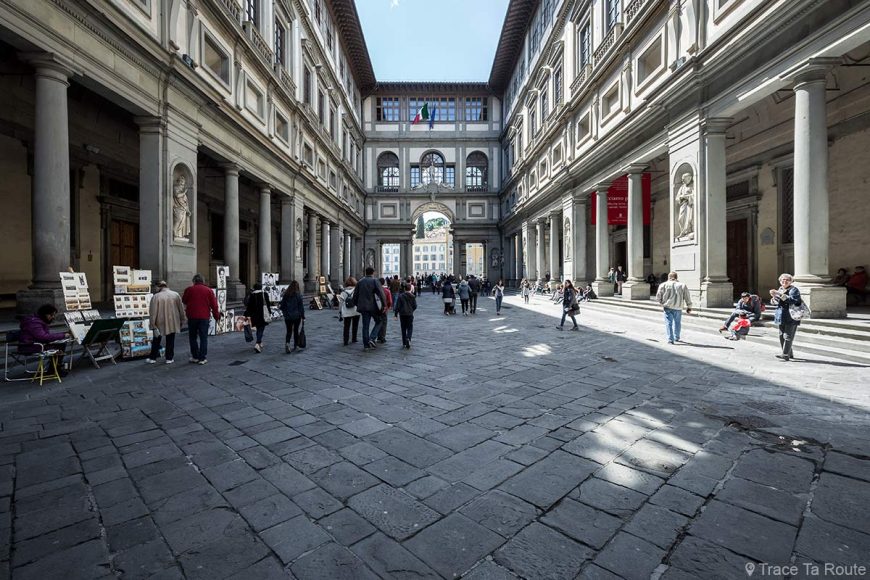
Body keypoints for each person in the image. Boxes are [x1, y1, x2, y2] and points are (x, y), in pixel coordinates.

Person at [182, 273, 221, 364]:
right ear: (203, 281)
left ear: (194, 281)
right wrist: (217, 316)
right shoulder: (208, 290)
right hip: (204, 317)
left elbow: (184, 300)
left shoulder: (189, 289)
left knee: (192, 337)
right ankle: (202, 358)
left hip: (192, 317)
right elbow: (214, 305)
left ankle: (195, 356)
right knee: (203, 337)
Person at [147, 281, 185, 364]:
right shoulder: (175, 294)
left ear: (158, 287)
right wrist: (182, 319)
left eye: (155, 287)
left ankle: (153, 358)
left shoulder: (156, 297)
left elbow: (153, 313)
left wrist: (152, 324)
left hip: (159, 321)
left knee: (156, 339)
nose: (154, 289)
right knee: (170, 340)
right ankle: (169, 358)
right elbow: (181, 308)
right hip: (173, 321)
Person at [351, 267, 386, 350]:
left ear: (365, 272)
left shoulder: (360, 282)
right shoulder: (375, 281)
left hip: (363, 307)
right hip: (373, 307)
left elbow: (355, 295)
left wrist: (357, 304)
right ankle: (372, 338)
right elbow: (381, 294)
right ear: (373, 272)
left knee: (365, 326)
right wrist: (384, 305)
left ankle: (366, 345)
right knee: (379, 321)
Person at [770, 273, 802, 361]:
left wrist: (779, 294)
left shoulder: (794, 290)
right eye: (782, 280)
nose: (784, 281)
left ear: (791, 281)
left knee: (788, 336)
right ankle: (789, 353)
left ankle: (785, 354)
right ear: (780, 281)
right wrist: (773, 297)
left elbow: (793, 300)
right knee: (781, 335)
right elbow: (776, 302)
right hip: (781, 315)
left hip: (791, 315)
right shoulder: (780, 289)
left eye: (787, 280)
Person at [655, 272, 692, 344]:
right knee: (677, 323)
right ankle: (676, 337)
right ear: (676, 277)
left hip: (667, 307)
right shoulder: (682, 285)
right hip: (678, 307)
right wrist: (689, 306)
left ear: (668, 277)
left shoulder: (663, 285)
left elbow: (658, 296)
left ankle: (670, 339)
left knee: (669, 323)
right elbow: (687, 297)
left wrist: (661, 303)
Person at [244, 282, 271, 353]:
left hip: (254, 315)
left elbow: (249, 306)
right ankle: (257, 343)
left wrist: (246, 314)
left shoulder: (252, 295)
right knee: (261, 329)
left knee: (259, 328)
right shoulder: (264, 294)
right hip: (263, 315)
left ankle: (260, 342)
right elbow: (268, 304)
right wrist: (270, 312)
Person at [279, 281, 305, 353]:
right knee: (296, 331)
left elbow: (282, 306)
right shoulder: (298, 295)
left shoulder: (286, 295)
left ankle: (287, 343)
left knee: (289, 331)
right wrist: (303, 316)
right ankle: (296, 346)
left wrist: (285, 313)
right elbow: (301, 307)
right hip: (297, 316)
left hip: (288, 316)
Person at [393, 282, 417, 349]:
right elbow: (415, 306)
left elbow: (397, 306)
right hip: (409, 314)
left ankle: (404, 342)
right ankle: (408, 338)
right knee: (410, 327)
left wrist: (396, 314)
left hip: (402, 314)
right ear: (410, 289)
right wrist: (411, 310)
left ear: (404, 289)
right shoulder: (412, 296)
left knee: (403, 328)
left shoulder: (401, 296)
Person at [339, 277, 360, 346]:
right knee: (355, 325)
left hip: (346, 311)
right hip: (356, 310)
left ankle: (346, 341)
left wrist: (340, 312)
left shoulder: (343, 292)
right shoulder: (356, 290)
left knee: (346, 326)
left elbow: (341, 303)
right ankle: (354, 338)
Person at [377, 277, 393, 344]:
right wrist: (387, 307)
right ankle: (382, 337)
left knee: (377, 322)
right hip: (384, 309)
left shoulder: (376, 290)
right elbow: (390, 301)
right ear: (384, 283)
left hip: (377, 309)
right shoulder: (387, 291)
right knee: (384, 323)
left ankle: (378, 336)